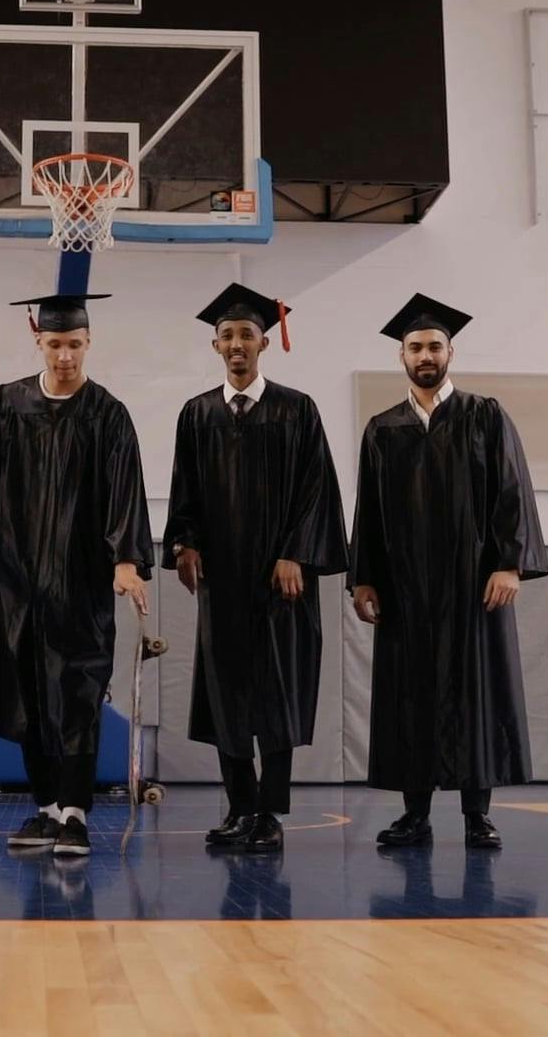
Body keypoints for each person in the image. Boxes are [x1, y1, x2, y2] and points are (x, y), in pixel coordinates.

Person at [349, 293, 548, 849]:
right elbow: (367, 508)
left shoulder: (485, 415)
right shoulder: (382, 429)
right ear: (403, 358)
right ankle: (415, 815)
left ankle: (476, 816)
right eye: (415, 347)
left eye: (434, 345)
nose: (425, 355)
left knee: (474, 694)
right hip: (405, 589)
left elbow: (511, 491)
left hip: (472, 586)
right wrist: (364, 577)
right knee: (410, 696)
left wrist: (509, 564)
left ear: (451, 352)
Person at [161, 283, 347, 853]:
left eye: (246, 334)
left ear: (264, 342)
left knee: (277, 693)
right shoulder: (197, 414)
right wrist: (183, 547)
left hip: (280, 582)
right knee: (228, 695)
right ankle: (241, 807)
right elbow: (183, 492)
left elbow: (318, 490)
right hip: (223, 581)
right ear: (215, 346)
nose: (237, 344)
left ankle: (270, 812)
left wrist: (296, 553)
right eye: (227, 336)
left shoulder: (297, 410)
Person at [0, 292, 152, 860]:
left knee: (75, 695)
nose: (64, 355)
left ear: (88, 342)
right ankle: (46, 809)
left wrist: (125, 560)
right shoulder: (7, 403)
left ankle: (76, 814)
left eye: (74, 343)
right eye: (55, 344)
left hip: (81, 581)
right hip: (18, 580)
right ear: (38, 342)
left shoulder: (108, 414)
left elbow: (126, 490)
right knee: (27, 693)